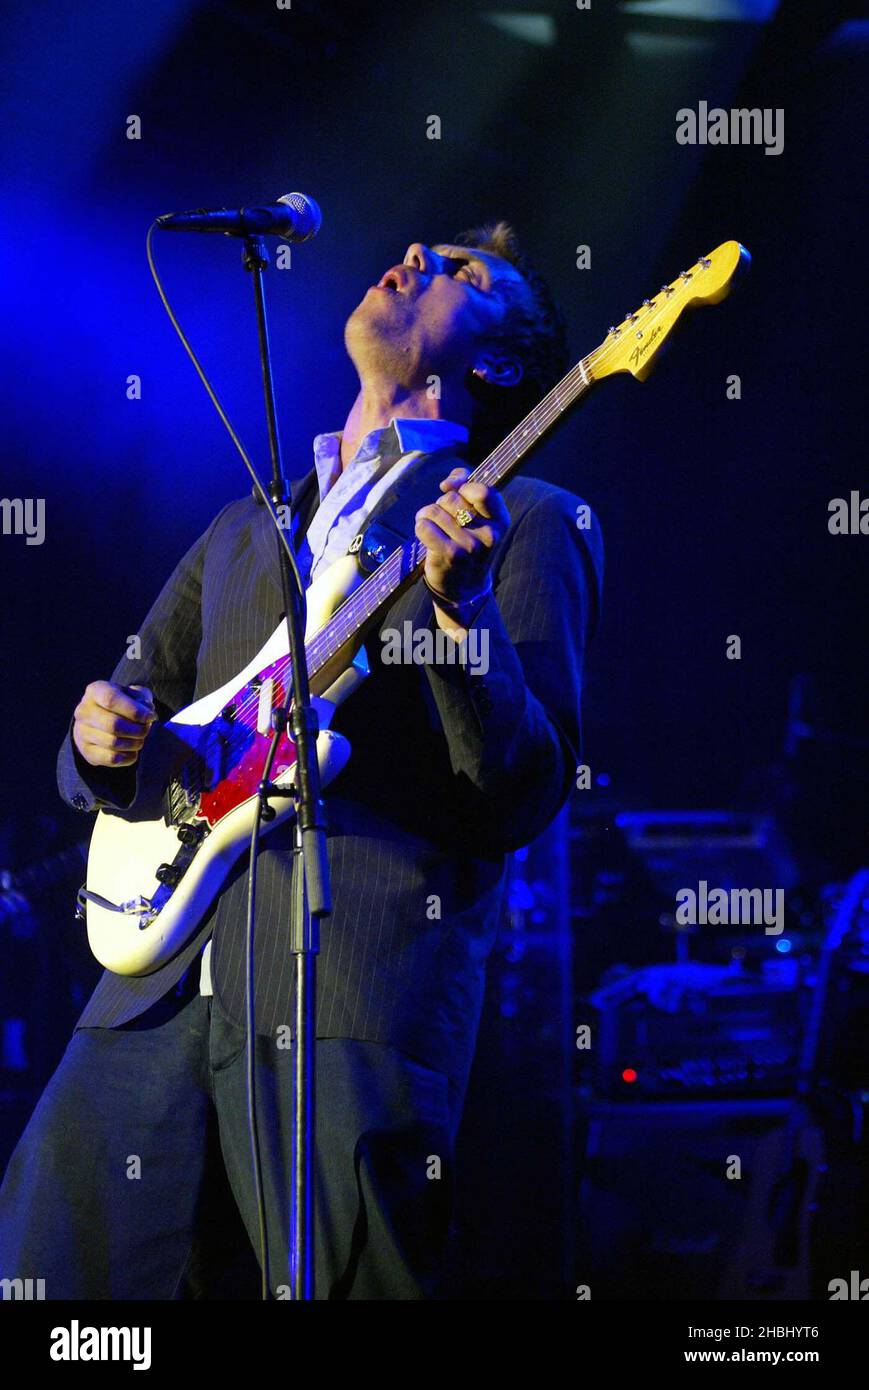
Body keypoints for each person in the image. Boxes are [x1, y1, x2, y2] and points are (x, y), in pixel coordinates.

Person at [0, 221, 603, 1299]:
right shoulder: (249, 523)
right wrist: (102, 742)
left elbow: (519, 788)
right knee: (51, 1280)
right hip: (150, 986)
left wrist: (461, 621)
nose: (414, 252)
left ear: (500, 363)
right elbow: (119, 719)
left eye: (463, 271)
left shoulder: (527, 521)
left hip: (350, 991)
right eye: (423, 246)